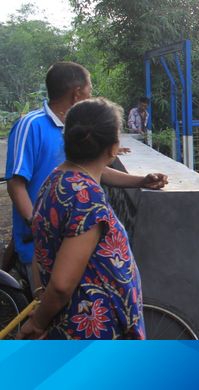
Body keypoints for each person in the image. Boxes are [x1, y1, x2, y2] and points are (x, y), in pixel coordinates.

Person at [4, 61, 167, 292]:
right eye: (90, 89)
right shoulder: (31, 125)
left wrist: (140, 181)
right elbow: (16, 184)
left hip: (69, 242)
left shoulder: (72, 129)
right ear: (77, 93)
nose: (91, 94)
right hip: (41, 245)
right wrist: (37, 224)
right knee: (47, 303)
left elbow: (95, 170)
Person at [18, 98, 151, 339]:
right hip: (93, 328)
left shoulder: (55, 180)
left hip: (72, 321)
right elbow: (61, 285)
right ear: (112, 149)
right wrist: (38, 323)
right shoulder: (86, 198)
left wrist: (39, 295)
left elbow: (41, 247)